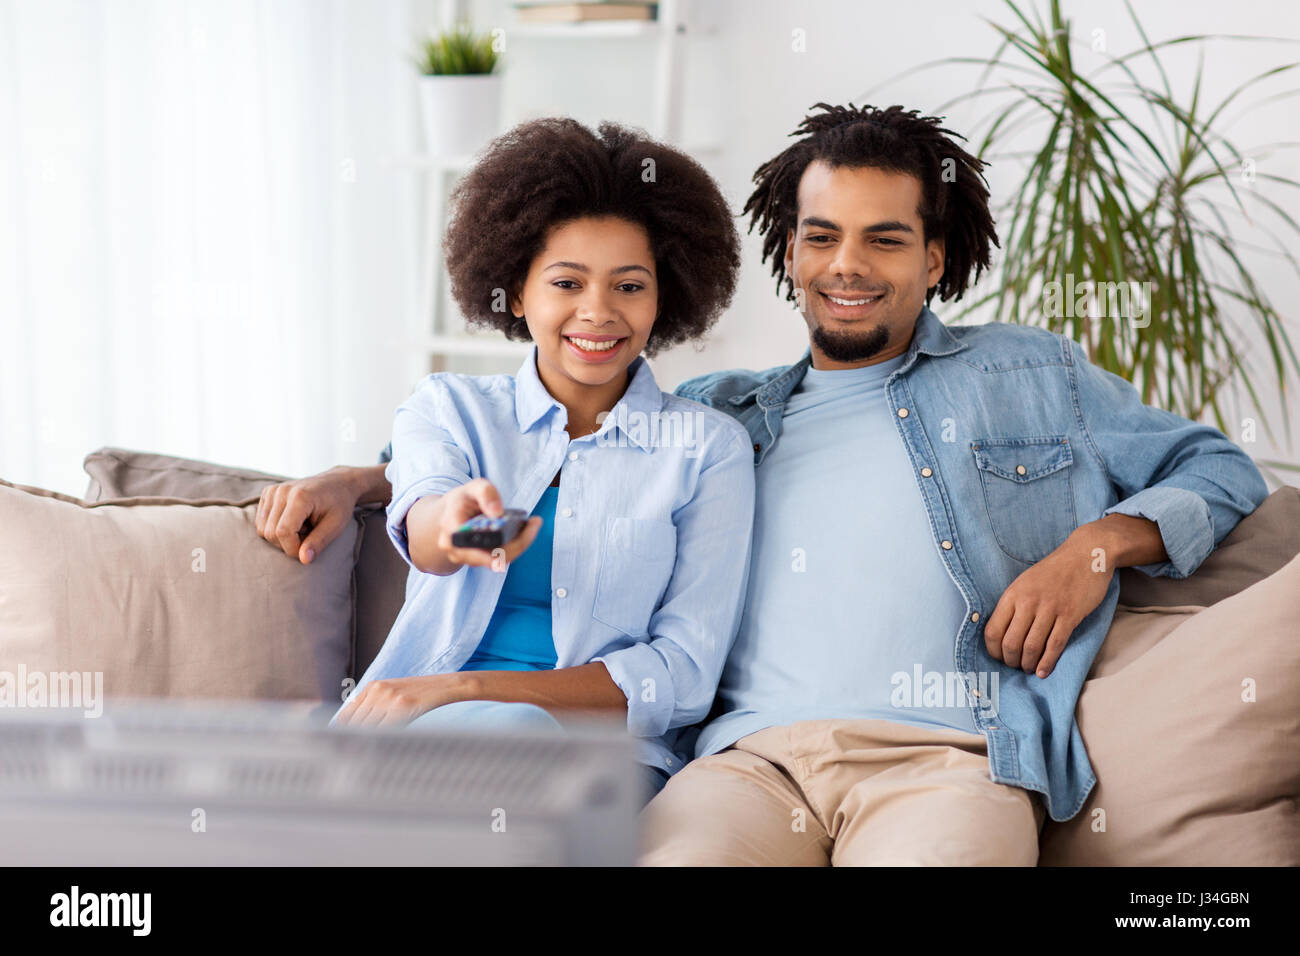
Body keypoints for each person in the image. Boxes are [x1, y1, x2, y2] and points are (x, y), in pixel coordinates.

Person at [258, 103, 1269, 864]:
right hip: (747, 763)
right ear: (789, 249)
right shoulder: (723, 414)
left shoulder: (1030, 374)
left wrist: (1092, 548)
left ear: (937, 254)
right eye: (821, 235)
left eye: (884, 238)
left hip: (944, 758)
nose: (847, 266)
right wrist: (365, 481)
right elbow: (562, 448)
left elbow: (1220, 467)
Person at [262, 116, 756, 807]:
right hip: (426, 740)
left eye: (629, 286)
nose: (598, 312)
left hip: (601, 763)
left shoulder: (709, 450)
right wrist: (460, 529)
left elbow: (680, 673)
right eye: (567, 283)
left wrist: (465, 686)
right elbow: (428, 522)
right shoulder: (449, 409)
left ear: (664, 296)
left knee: (520, 745)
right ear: (517, 292)